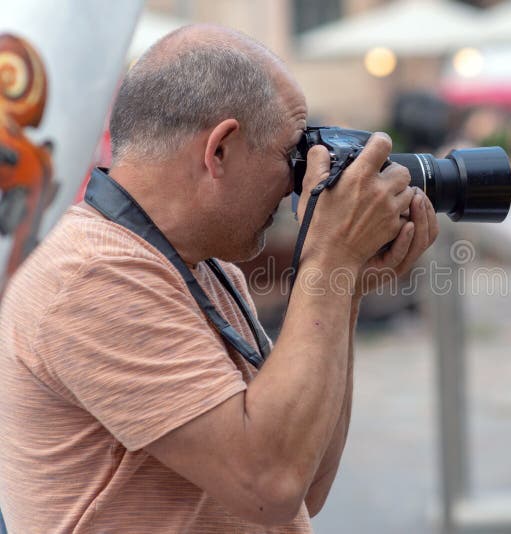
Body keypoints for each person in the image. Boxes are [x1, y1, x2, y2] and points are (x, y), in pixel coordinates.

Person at [0, 24, 438, 533]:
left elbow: (306, 481)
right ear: (220, 150)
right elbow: (268, 483)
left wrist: (348, 285)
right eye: (291, 155)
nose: (300, 182)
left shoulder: (201, 266)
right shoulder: (91, 273)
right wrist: (331, 261)